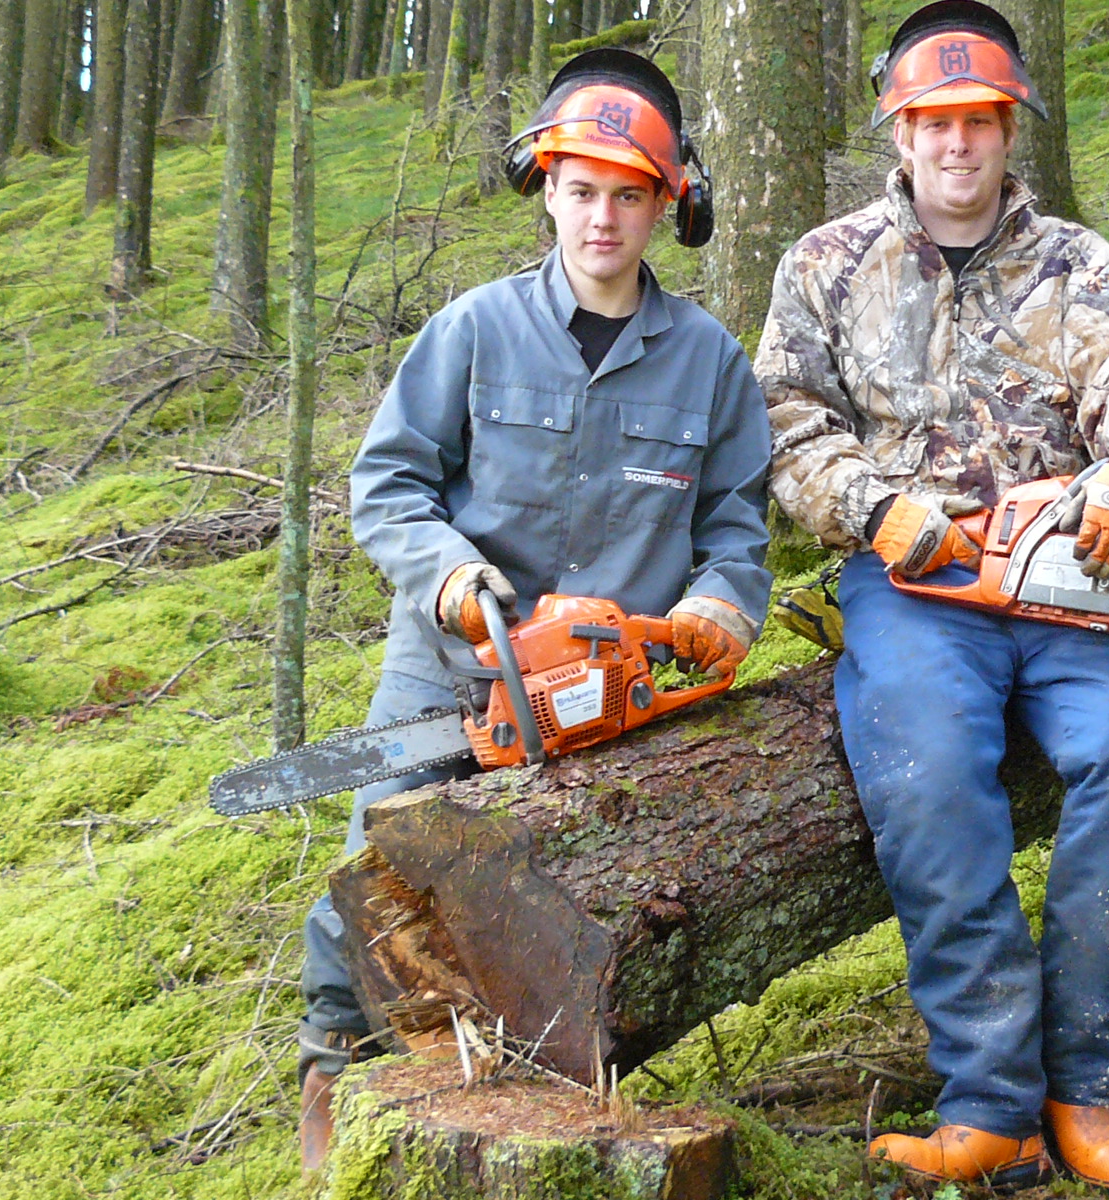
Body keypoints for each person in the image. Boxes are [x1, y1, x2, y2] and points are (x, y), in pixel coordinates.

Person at [296, 49, 772, 1173]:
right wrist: (448, 573)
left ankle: (534, 1069)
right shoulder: (473, 328)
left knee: (567, 889)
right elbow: (390, 481)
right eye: (579, 190)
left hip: (604, 682)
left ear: (666, 203)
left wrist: (716, 606)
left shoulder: (708, 362)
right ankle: (330, 1047)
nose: (600, 218)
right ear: (545, 188)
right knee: (385, 841)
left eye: (626, 195)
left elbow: (738, 527)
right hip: (457, 661)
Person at [754, 3, 1109, 1193]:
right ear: (900, 132)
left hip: (1060, 576)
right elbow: (785, 424)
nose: (956, 146)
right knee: (932, 776)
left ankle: (1080, 1081)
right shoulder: (827, 264)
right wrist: (868, 507)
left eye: (977, 122)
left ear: (1008, 131)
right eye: (933, 122)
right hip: (912, 579)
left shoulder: (1072, 263)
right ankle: (989, 1101)